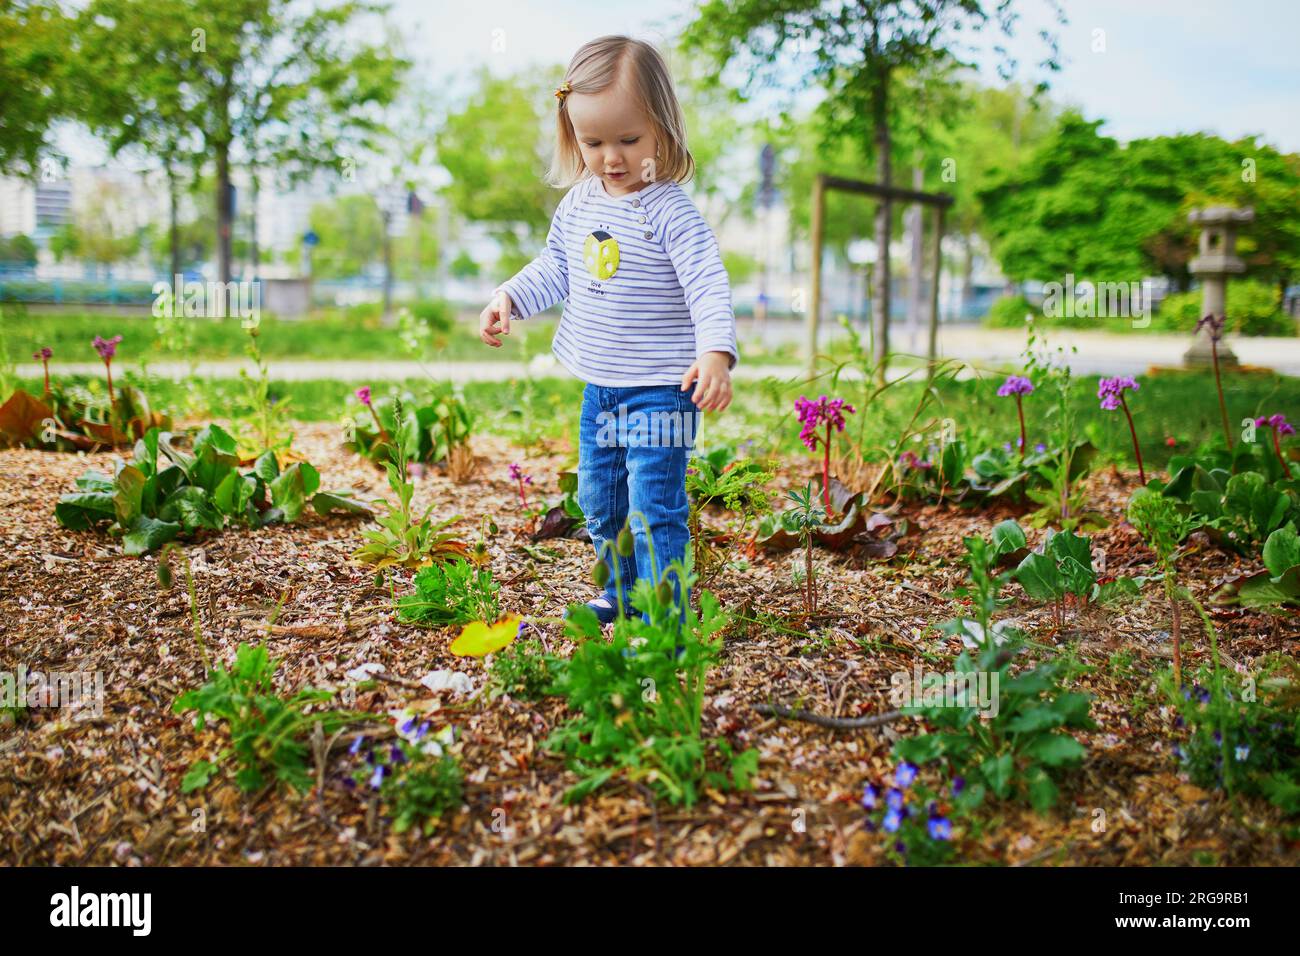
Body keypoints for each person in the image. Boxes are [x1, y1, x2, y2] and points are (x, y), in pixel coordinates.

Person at [480, 35, 738, 624]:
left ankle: (664, 613)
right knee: (600, 499)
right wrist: (511, 296)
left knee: (655, 506)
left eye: (629, 140)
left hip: (665, 389)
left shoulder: (669, 209)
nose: (612, 157)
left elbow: (707, 283)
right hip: (602, 387)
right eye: (594, 142)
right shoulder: (578, 204)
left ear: (662, 132)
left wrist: (715, 352)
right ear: (574, 136)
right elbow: (557, 267)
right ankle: (619, 593)